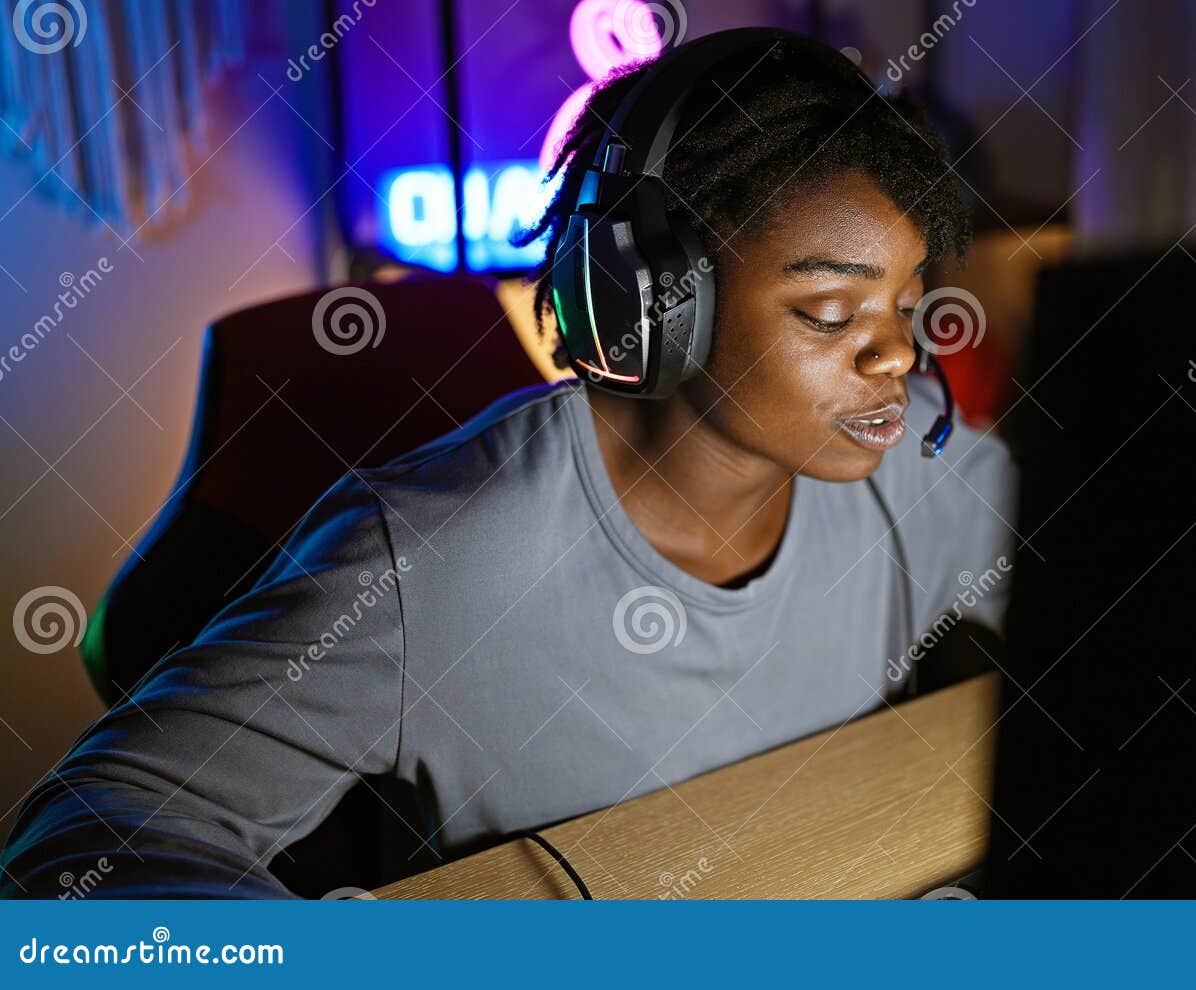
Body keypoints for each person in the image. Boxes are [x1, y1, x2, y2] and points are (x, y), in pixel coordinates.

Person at [0, 33, 1015, 898]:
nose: (895, 356)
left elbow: (1094, 566)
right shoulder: (437, 556)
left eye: (905, 306)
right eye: (832, 314)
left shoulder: (906, 454)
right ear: (655, 302)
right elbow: (89, 840)